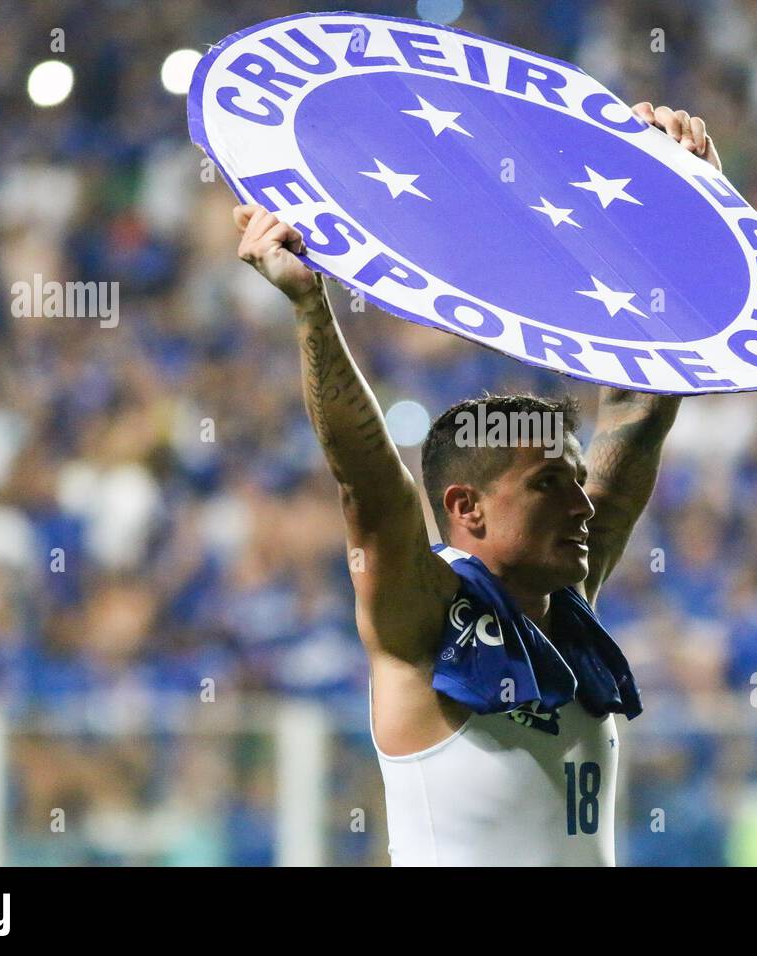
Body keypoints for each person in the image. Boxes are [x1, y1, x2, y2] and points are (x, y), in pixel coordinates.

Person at [234, 103, 718, 865]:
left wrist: (675, 203)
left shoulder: (568, 608)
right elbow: (370, 484)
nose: (579, 500)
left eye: (572, 479)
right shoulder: (422, 622)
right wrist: (310, 308)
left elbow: (644, 403)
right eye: (549, 485)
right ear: (466, 509)